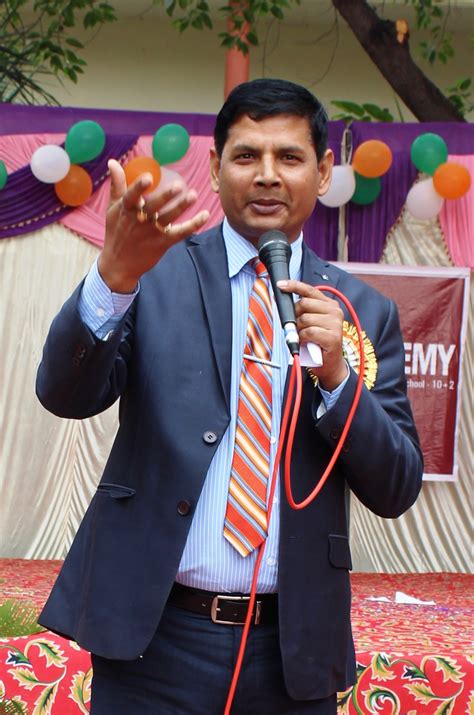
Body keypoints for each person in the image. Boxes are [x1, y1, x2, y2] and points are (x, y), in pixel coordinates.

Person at [36, 78, 423, 714]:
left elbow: (397, 486)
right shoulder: (154, 273)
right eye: (247, 156)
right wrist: (112, 279)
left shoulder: (362, 311)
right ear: (215, 169)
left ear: (324, 171)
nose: (267, 174)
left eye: (289, 157)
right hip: (153, 641)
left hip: (293, 652)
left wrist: (337, 378)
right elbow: (64, 393)